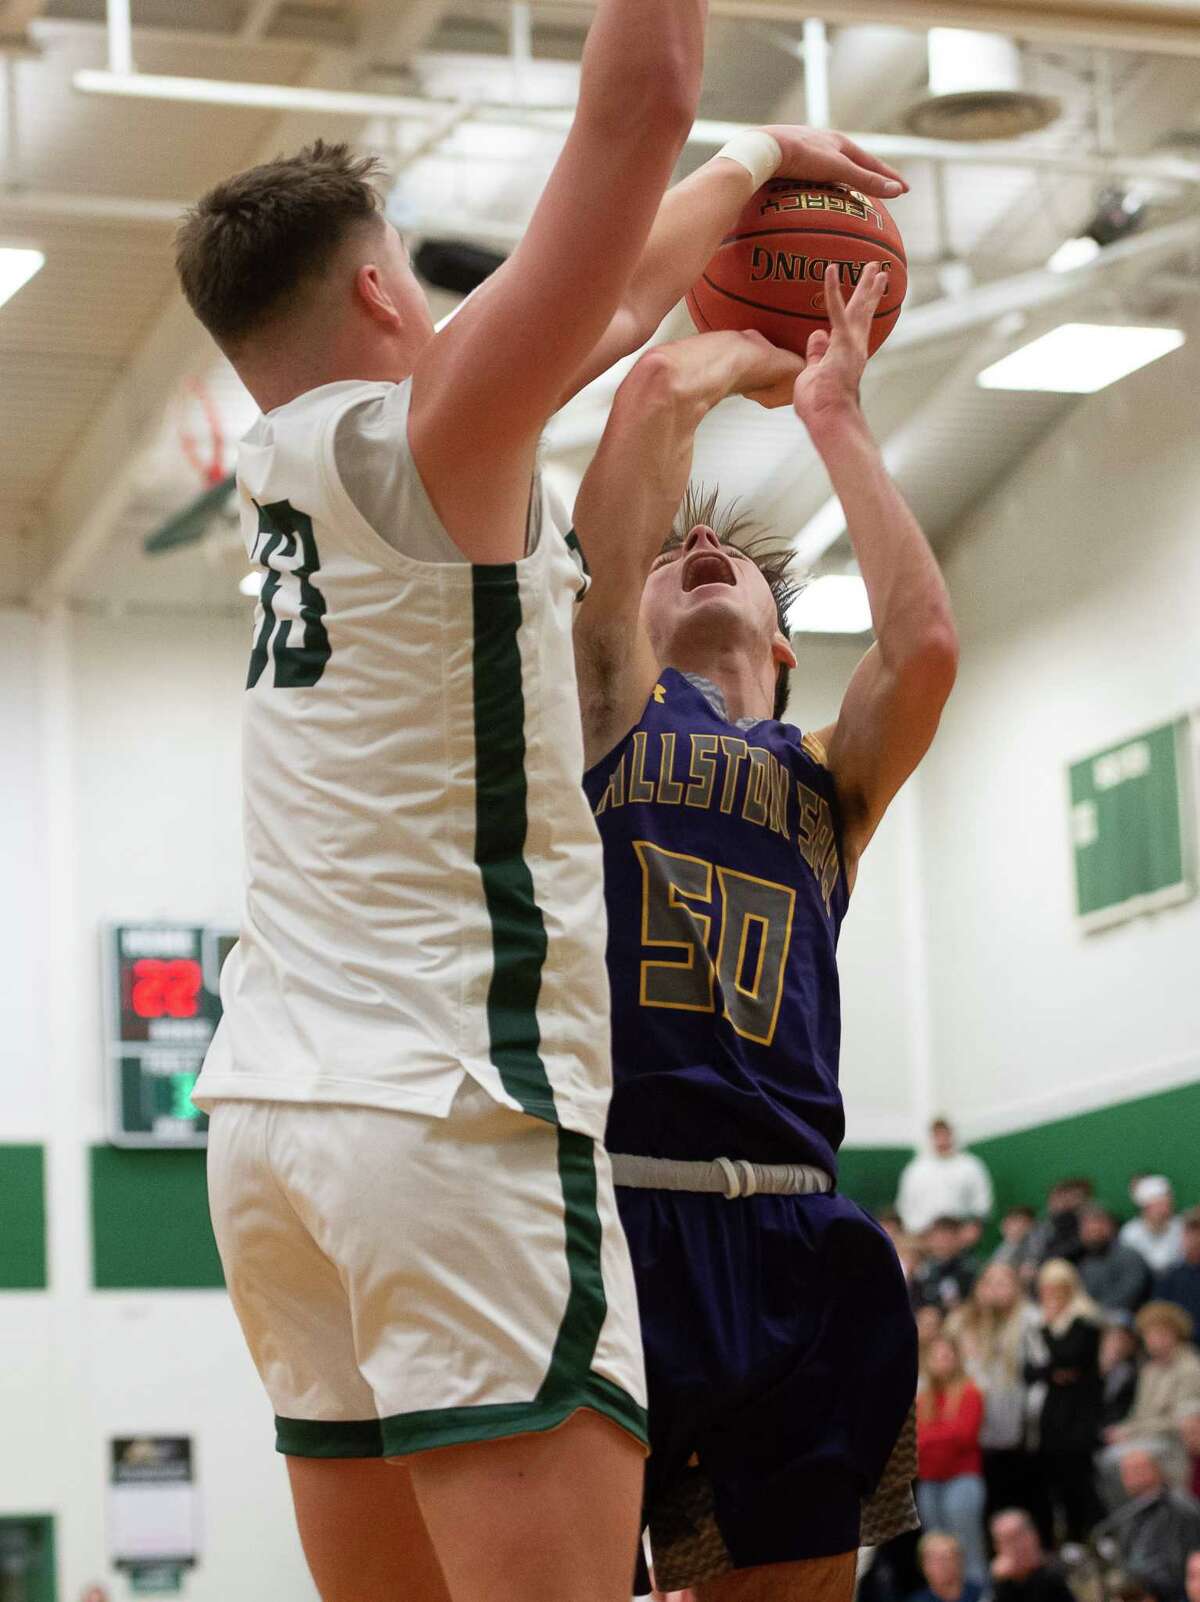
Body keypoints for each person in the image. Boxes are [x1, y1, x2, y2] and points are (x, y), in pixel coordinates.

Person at [173, 11, 910, 1591]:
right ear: (383, 291)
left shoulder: (286, 472)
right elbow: (636, 110)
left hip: (268, 1138)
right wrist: (750, 154)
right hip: (450, 1112)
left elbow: (623, 315)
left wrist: (736, 231)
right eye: (428, 282)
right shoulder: (425, 442)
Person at [572, 254, 954, 1596]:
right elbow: (616, 516)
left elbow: (926, 649)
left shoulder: (828, 781)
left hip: (795, 1236)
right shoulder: (612, 707)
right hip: (614, 1225)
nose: (695, 555)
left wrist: (837, 417)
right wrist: (709, 361)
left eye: (723, 555)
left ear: (787, 644)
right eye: (675, 558)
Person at [948, 1262, 1044, 1526]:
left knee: (1017, 1494)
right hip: (978, 1423)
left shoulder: (1030, 1319)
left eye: (1002, 1283)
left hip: (1018, 1422)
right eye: (989, 1283)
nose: (994, 1290)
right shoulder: (967, 1321)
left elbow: (1039, 1366)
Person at [1026, 1259, 1103, 1543]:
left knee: (1078, 1483)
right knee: (1051, 1483)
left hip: (1078, 1418)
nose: (1051, 1296)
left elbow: (1069, 1359)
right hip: (1050, 1418)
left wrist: (1046, 1337)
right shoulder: (1040, 1324)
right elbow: (1032, 1371)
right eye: (1046, 1290)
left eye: (1057, 1290)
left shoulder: (1084, 1322)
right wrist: (1052, 1372)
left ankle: (1083, 1537)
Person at [1102, 1303, 1200, 1492]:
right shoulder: (1149, 1370)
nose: (1154, 1340)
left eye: (1161, 1333)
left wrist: (1132, 1433)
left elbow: (1184, 1422)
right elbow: (1139, 1413)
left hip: (1171, 1442)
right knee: (1103, 1457)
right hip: (1145, 1437)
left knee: (1112, 1462)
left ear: (1176, 1333)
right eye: (1149, 1334)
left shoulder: (1190, 1368)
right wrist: (1123, 1430)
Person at [915, 1336, 988, 1583]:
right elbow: (915, 1441)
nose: (942, 1362)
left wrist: (931, 1437)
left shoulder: (970, 1392)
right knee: (935, 1551)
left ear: (957, 1359)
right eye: (937, 1356)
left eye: (947, 1356)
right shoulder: (922, 1399)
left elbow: (965, 1437)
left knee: (967, 1546)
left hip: (963, 1478)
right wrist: (943, 1434)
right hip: (929, 1480)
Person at [1093, 1448, 1200, 1602]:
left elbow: (1179, 1566)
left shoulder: (1179, 1507)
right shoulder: (1129, 1513)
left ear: (1157, 1470)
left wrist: (1144, 1588)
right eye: (1127, 1472)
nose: (1133, 1477)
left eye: (1139, 1469)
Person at [897, 1121, 994, 1238]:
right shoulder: (915, 1169)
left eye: (945, 1135)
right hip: (924, 1235)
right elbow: (905, 1205)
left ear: (952, 1135)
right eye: (937, 1135)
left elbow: (982, 1202)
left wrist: (973, 1228)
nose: (942, 1140)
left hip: (960, 1234)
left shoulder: (970, 1165)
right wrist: (915, 1233)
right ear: (931, 1138)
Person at [1079, 1204, 1153, 1316]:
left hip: (1129, 1317)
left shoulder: (1129, 1256)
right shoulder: (1085, 1262)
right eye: (1088, 1227)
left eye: (1099, 1224)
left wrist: (1097, 1312)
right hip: (1095, 1318)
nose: (1093, 1230)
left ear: (1112, 1227)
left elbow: (1130, 1295)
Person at [988, 1510, 1074, 1602]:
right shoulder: (998, 1584)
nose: (1018, 1546)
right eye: (1010, 1540)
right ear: (998, 1548)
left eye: (1021, 1535)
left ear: (1035, 1536)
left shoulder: (1063, 1571)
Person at [913, 1220, 980, 1314]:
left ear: (958, 1240)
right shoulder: (921, 1266)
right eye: (937, 1238)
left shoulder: (967, 1269)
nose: (941, 1244)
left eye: (946, 1238)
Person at [1122, 1178, 1186, 1276]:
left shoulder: (1182, 1226)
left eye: (1167, 1203)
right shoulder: (1130, 1232)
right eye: (1159, 1204)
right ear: (1145, 1207)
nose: (1165, 1208)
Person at [908, 1532, 984, 1602]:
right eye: (934, 1560)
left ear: (960, 1561)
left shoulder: (983, 1594)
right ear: (923, 1566)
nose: (942, 1565)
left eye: (947, 1558)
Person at [1158, 1209, 1200, 1333]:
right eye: (1190, 1232)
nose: (1195, 1239)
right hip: (1180, 1343)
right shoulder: (1170, 1275)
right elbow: (1160, 1315)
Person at [1101, 1314, 1141, 1432]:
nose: (1118, 1344)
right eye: (1113, 1337)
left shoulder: (1132, 1375)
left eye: (1125, 1340)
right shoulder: (1083, 1363)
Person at [991, 1206, 1040, 1286]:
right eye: (1012, 1221)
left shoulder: (1032, 1251)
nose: (1016, 1226)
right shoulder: (1002, 1245)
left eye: (1022, 1222)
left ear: (1031, 1227)